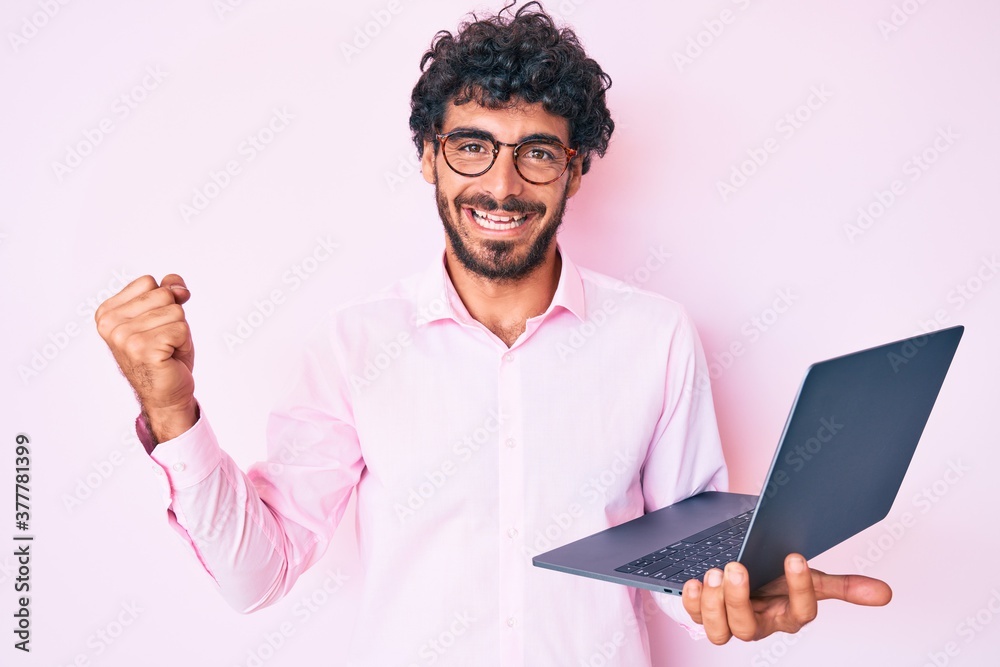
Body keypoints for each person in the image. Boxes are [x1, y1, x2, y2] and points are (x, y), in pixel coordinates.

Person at [95, 3, 891, 664]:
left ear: (576, 169)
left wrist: (735, 596)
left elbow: (683, 575)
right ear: (430, 159)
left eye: (537, 152)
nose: (502, 185)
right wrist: (172, 412)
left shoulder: (658, 337)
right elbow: (254, 577)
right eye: (472, 146)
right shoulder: (352, 345)